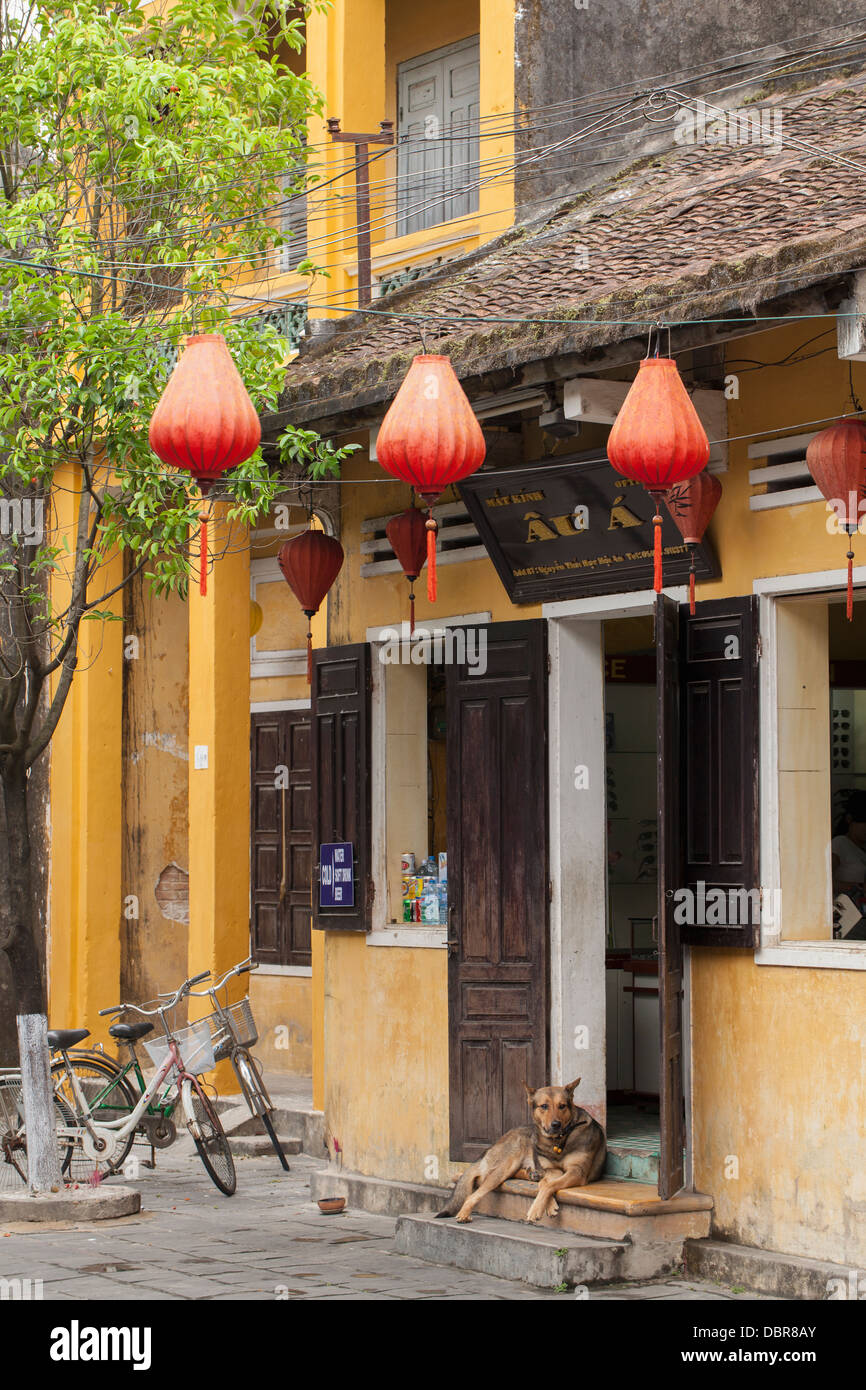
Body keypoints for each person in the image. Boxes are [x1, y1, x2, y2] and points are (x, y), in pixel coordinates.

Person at [831, 792, 866, 936]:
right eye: (863, 822)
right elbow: (824, 881)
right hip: (846, 915)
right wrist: (856, 887)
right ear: (850, 820)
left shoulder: (862, 851)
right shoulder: (840, 843)